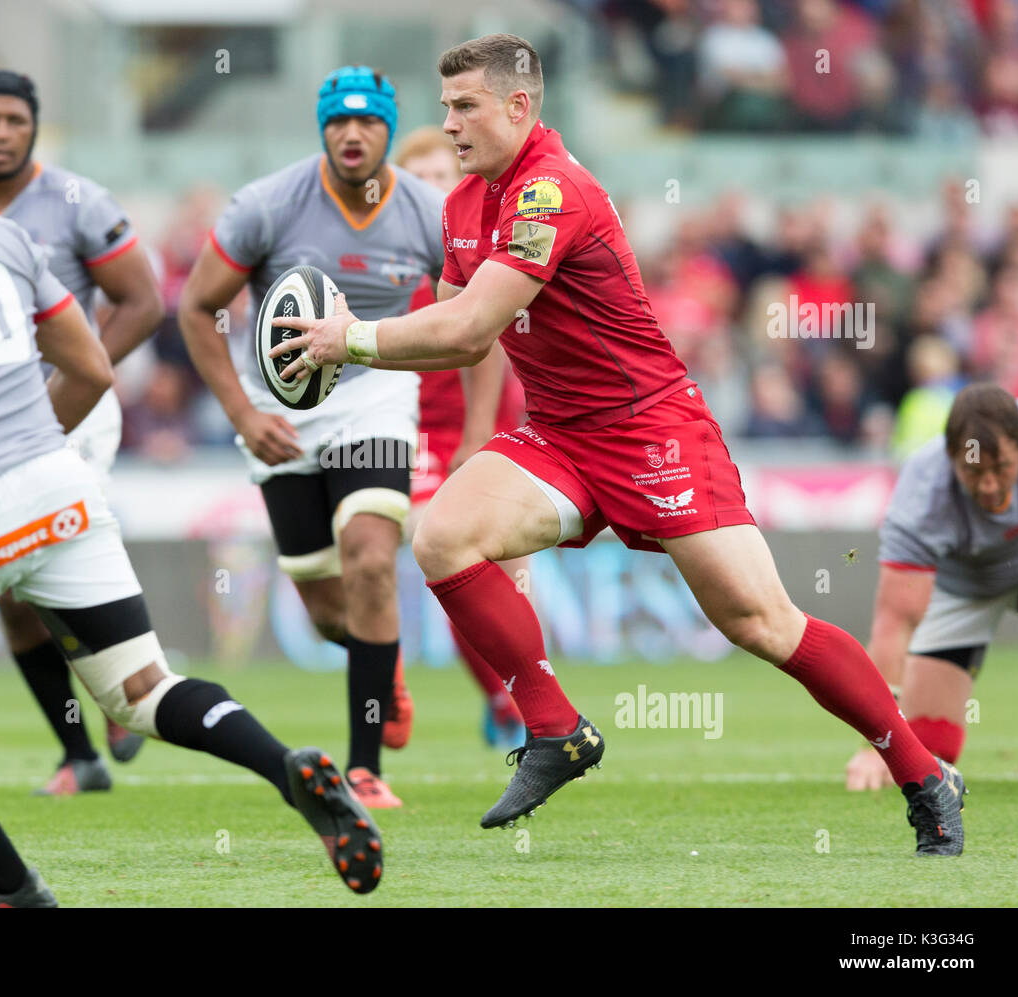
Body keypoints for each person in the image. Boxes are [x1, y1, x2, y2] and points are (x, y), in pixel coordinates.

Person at [273, 33, 965, 855]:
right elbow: (459, 345)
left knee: (761, 622)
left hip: (652, 427)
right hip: (560, 433)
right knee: (446, 535)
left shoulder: (549, 194)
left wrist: (347, 339)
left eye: (465, 107)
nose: (449, 124)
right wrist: (351, 359)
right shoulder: (464, 205)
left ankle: (925, 774)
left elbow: (471, 321)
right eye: (445, 106)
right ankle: (555, 725)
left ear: (519, 106)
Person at [0, 73, 383, 904]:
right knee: (144, 689)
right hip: (60, 487)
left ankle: (9, 881)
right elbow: (94, 365)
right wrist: (24, 448)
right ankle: (283, 765)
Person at [179, 66, 446, 808]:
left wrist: (480, 429)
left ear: (389, 129)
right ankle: (379, 662)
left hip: (377, 397)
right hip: (282, 411)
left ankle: (366, 768)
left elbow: (472, 325)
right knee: (331, 611)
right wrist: (242, 414)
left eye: (367, 122)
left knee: (370, 561)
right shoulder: (266, 205)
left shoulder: (429, 212)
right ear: (321, 129)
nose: (352, 135)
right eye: (337, 123)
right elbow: (197, 309)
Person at [0, 71, 164, 795]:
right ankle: (83, 751)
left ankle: (127, 683)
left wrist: (80, 370)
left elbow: (144, 300)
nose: (1, 133)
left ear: (34, 127)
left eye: (15, 120)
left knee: (42, 556)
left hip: (76, 407)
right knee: (11, 589)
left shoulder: (76, 202)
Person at [395, 126, 527, 749]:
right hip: (418, 436)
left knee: (506, 579)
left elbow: (490, 344)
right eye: (417, 180)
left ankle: (520, 696)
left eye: (441, 177)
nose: (432, 190)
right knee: (442, 554)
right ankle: (509, 700)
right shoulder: (390, 264)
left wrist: (479, 435)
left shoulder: (483, 250)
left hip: (491, 427)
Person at [846, 384, 1018, 790]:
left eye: (1003, 468)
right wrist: (876, 744)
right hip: (964, 587)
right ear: (950, 457)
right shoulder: (922, 493)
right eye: (975, 471)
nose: (991, 486)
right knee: (925, 751)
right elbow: (895, 622)